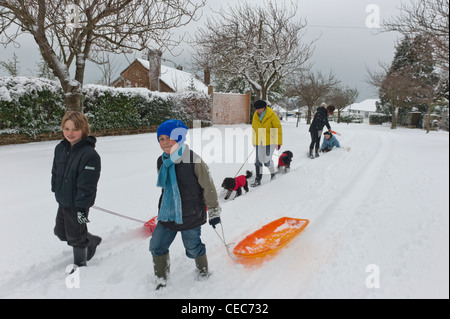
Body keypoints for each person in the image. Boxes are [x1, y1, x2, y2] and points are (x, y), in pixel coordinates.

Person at [150, 119, 221, 290]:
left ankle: (203, 271)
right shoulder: (162, 161)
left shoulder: (194, 160)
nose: (165, 142)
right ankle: (161, 278)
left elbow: (208, 185)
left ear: (180, 138)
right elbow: (166, 189)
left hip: (190, 213)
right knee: (156, 245)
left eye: (169, 138)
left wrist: (214, 210)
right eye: (161, 139)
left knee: (193, 247)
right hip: (168, 213)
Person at [51, 111, 102, 271]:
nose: (70, 133)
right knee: (60, 232)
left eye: (75, 129)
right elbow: (55, 172)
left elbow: (88, 184)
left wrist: (81, 205)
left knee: (76, 235)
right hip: (63, 201)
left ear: (84, 130)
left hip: (80, 205)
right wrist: (55, 188)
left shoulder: (89, 155)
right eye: (66, 128)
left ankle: (80, 265)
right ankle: (91, 240)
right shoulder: (60, 148)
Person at [251, 100, 283, 187]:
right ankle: (258, 179)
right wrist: (254, 140)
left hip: (270, 141)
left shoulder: (272, 115)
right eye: (257, 109)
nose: (258, 111)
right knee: (258, 161)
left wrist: (278, 142)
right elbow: (254, 128)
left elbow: (278, 128)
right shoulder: (255, 115)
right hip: (259, 141)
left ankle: (273, 174)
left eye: (260, 109)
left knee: (266, 161)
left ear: (264, 107)